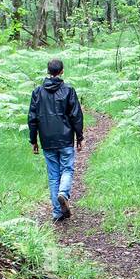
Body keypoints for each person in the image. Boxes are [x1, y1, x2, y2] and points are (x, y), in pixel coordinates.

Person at [28, 58, 84, 222]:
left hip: (47, 140)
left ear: (48, 71)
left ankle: (57, 213)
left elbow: (32, 118)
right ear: (62, 71)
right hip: (65, 138)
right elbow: (76, 116)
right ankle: (63, 193)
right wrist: (79, 137)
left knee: (53, 176)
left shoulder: (37, 92)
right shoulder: (68, 90)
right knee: (67, 169)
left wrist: (34, 140)